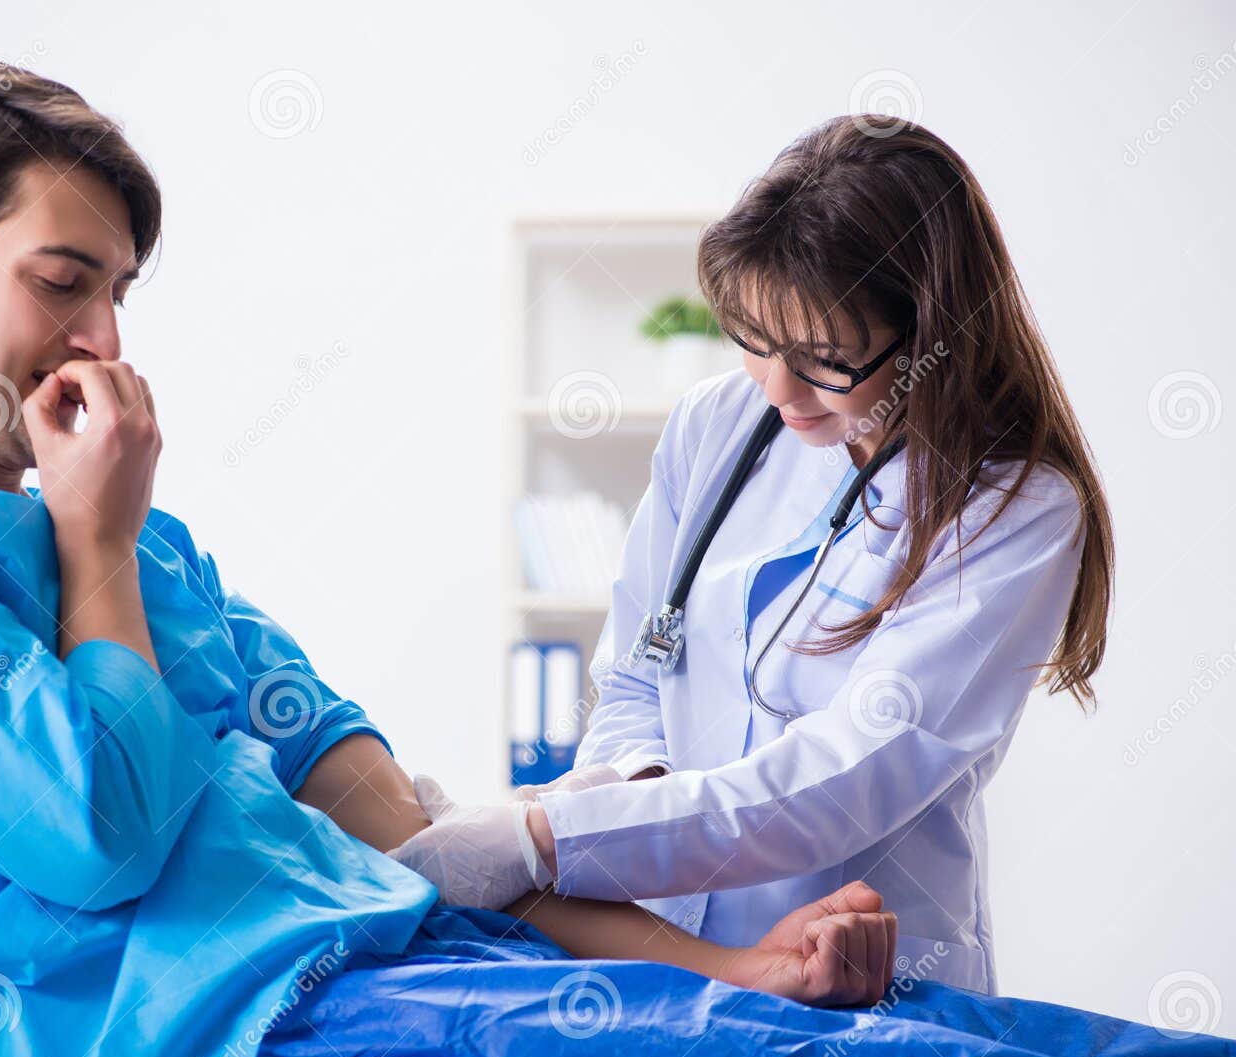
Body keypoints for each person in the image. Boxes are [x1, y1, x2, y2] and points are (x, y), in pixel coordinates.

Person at [0, 62, 897, 1057]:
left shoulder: (142, 543)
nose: (103, 340)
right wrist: (93, 538)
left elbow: (409, 840)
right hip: (228, 1046)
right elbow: (98, 835)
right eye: (62, 285)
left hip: (416, 974)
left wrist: (737, 970)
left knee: (972, 1049)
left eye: (118, 294)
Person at [391, 114, 1116, 996]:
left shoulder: (1014, 509)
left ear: (933, 335)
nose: (778, 391)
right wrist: (638, 789)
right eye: (755, 341)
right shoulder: (718, 425)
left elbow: (844, 779)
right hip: (660, 956)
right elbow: (631, 676)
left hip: (864, 965)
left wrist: (542, 839)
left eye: (825, 359)